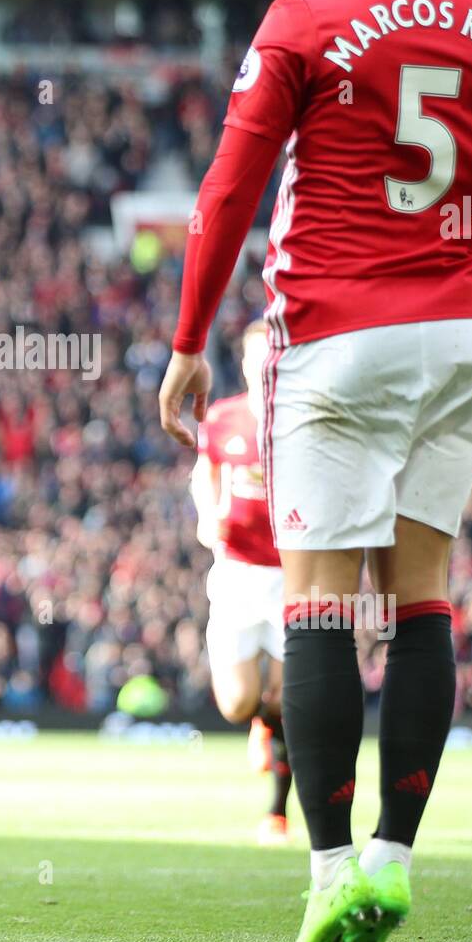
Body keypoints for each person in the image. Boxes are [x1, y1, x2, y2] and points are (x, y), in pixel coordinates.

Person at [158, 0, 472, 942]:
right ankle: (393, 852)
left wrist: (187, 338)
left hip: (338, 336)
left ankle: (329, 871)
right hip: (459, 339)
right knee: (422, 599)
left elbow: (230, 189)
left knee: (320, 604)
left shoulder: (309, 16)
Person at [190, 320, 291, 845]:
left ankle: (277, 811)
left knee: (287, 699)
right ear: (247, 364)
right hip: (235, 574)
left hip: (290, 576)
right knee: (236, 704)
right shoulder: (223, 416)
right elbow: (203, 474)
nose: (265, 365)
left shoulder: (300, 421)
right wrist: (208, 516)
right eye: (256, 358)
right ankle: (257, 723)